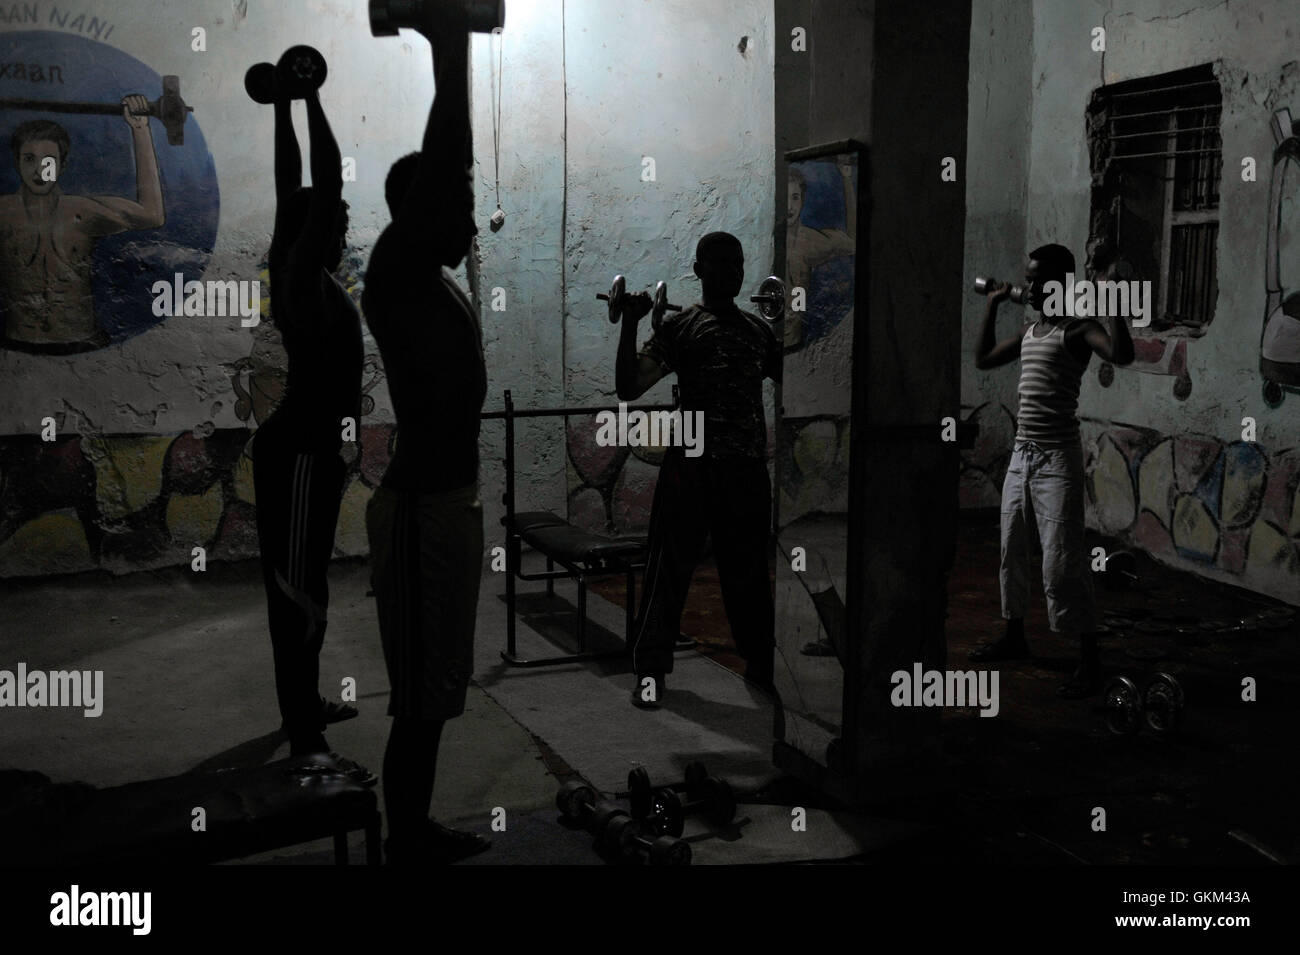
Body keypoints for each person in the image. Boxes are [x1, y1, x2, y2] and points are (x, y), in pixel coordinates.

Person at [362, 6, 490, 865]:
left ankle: (413, 828)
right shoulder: (396, 273)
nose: (472, 217)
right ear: (422, 208)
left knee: (439, 687)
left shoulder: (436, 281)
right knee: (416, 692)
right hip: (418, 515)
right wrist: (449, 47)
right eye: (460, 203)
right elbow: (448, 160)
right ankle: (403, 839)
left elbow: (450, 172)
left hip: (447, 508)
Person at [250, 65, 366, 763]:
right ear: (314, 230)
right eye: (336, 221)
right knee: (297, 590)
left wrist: (283, 108)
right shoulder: (298, 275)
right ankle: (303, 731)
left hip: (314, 454)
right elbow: (318, 191)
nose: (341, 225)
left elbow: (292, 189)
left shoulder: (307, 274)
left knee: (308, 584)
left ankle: (305, 703)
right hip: (296, 453)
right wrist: (311, 96)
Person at [616, 232, 781, 707]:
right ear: (698, 270)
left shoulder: (758, 333)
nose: (731, 272)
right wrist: (630, 324)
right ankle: (649, 673)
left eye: (738, 263)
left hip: (746, 471)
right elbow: (628, 385)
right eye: (720, 263)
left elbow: (800, 379)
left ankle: (763, 668)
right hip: (691, 469)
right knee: (668, 571)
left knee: (748, 574)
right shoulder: (680, 329)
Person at [970, 243, 1135, 697]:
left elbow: (1122, 355)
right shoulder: (1030, 331)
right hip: (1022, 456)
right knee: (1010, 549)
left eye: (1040, 278)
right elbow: (983, 359)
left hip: (1057, 459)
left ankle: (1090, 657)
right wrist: (992, 305)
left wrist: (1117, 305)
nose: (1031, 285)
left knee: (1062, 560)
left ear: (1062, 283)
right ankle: (1015, 636)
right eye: (1029, 276)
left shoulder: (1079, 330)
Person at [0, 107, 163, 352]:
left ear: (62, 165)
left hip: (81, 341)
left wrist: (140, 129)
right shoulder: (4, 214)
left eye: (48, 161)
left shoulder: (81, 212)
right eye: (29, 158)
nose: (38, 170)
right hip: (17, 343)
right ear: (17, 162)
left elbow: (152, 215)